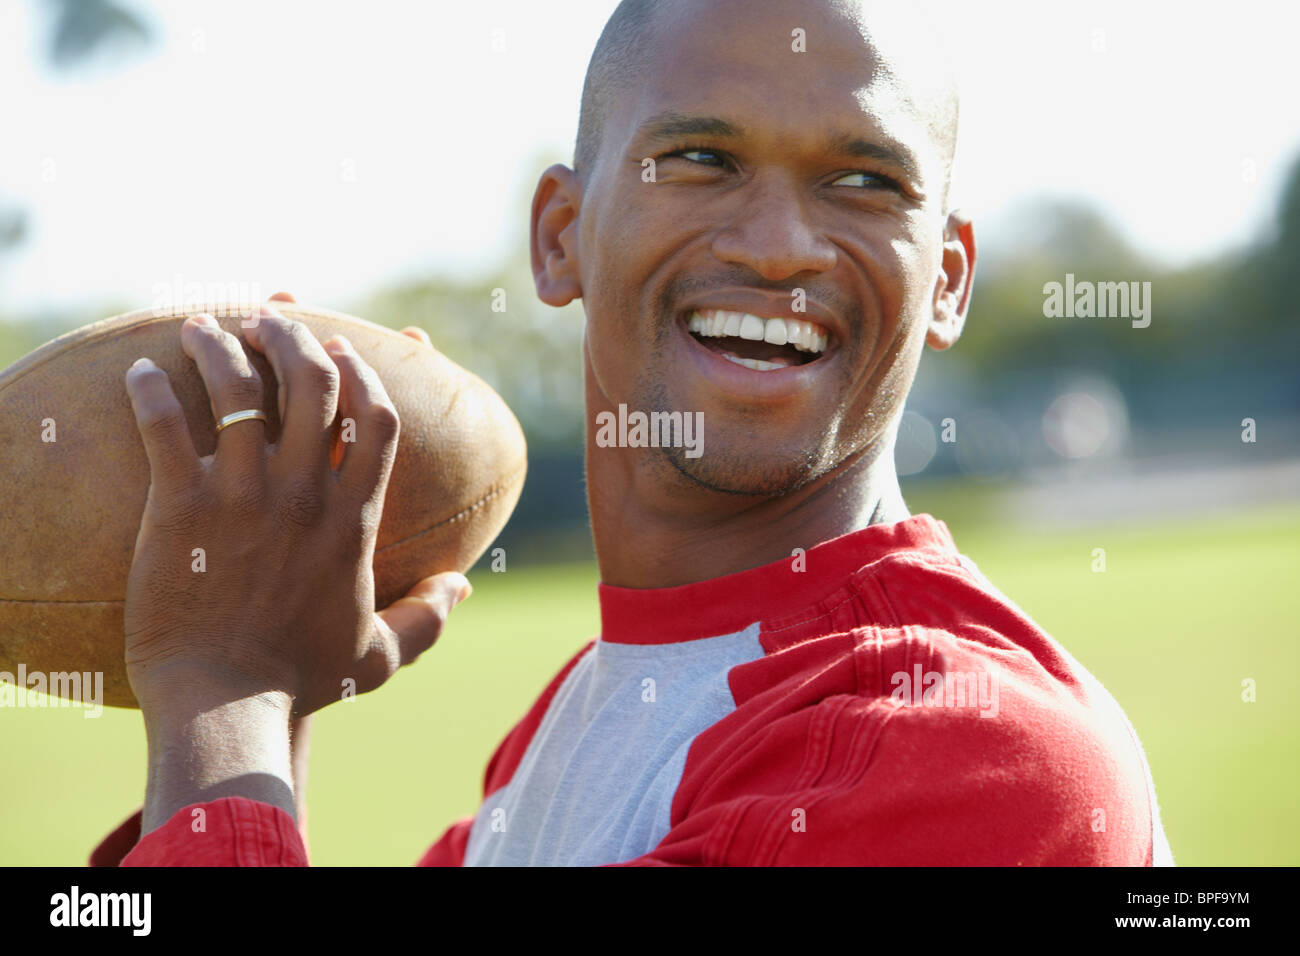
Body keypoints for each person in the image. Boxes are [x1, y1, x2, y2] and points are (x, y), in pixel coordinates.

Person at [92, 0, 1173, 866]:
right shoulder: (579, 716)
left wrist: (221, 690)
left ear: (944, 282)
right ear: (560, 237)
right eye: (701, 158)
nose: (780, 244)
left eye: (864, 182)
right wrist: (273, 697)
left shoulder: (969, 745)